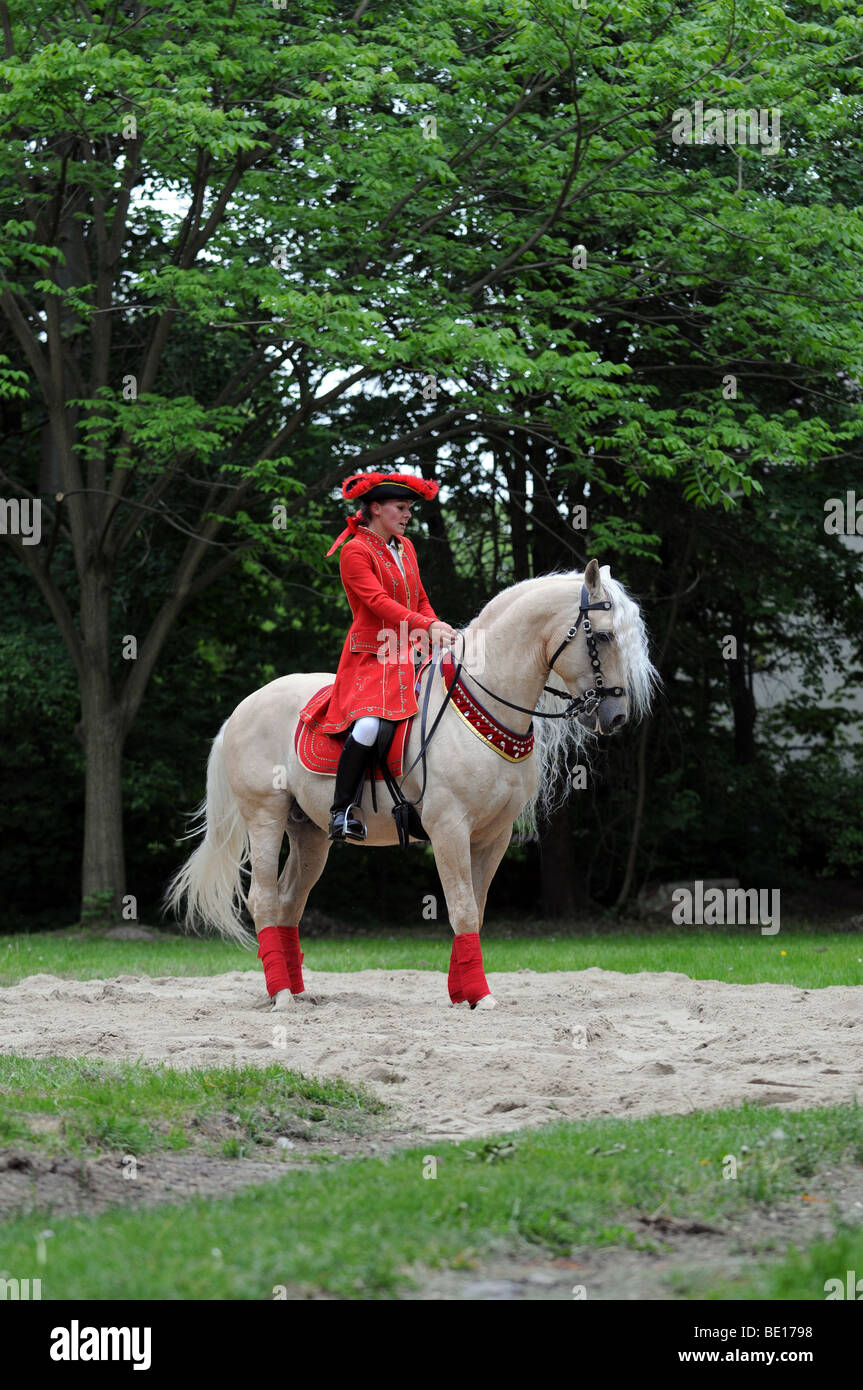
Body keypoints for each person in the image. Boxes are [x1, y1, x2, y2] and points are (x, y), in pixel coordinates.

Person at [308, 470, 458, 840]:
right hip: (372, 655)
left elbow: (419, 598)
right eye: (401, 508)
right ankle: (341, 811)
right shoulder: (354, 551)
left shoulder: (405, 548)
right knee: (371, 725)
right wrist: (425, 628)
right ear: (376, 508)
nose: (408, 515)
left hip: (411, 650)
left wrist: (437, 627)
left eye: (409, 509)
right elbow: (378, 603)